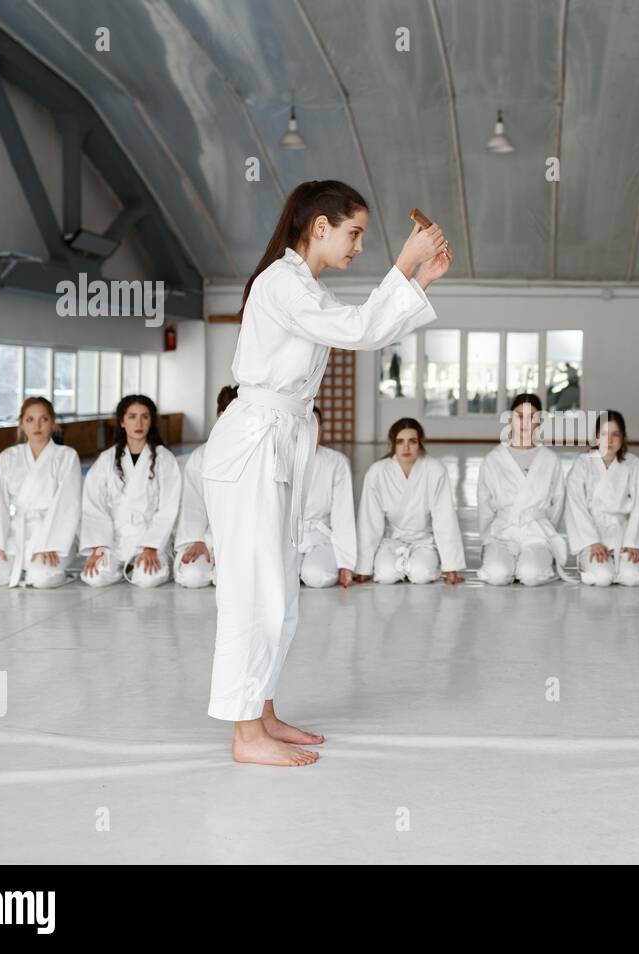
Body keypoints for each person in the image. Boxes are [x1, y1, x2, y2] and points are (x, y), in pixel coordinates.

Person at [201, 179, 450, 767]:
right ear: (319, 226)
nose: (359, 246)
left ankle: (260, 711)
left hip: (279, 444)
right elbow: (359, 330)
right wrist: (405, 264)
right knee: (252, 590)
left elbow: (362, 329)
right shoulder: (281, 283)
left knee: (280, 589)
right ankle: (243, 735)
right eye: (354, 233)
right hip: (253, 447)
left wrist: (418, 281)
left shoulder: (300, 285)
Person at [0, 397, 81, 589]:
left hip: (53, 534)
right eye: (30, 420)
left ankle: (44, 568)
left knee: (42, 578)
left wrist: (51, 543)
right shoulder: (8, 457)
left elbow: (68, 504)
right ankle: (17, 565)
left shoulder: (66, 456)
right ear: (21, 424)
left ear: (53, 423)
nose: (37, 425)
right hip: (17, 533)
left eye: (44, 419)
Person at [80, 395, 180, 588]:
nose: (139, 423)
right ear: (122, 421)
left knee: (147, 579)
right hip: (115, 540)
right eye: (132, 416)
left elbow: (169, 507)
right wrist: (99, 545)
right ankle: (121, 565)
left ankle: (143, 564)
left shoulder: (164, 458)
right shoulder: (106, 459)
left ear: (152, 421)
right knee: (95, 577)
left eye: (145, 416)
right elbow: (94, 505)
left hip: (150, 540)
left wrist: (151, 546)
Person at [354, 417, 465, 585]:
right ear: (392, 444)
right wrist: (363, 568)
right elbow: (369, 521)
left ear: (420, 443)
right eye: (400, 442)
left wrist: (451, 567)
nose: (406, 447)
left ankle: (420, 564)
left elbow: (445, 519)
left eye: (412, 441)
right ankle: (397, 565)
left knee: (422, 575)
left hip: (424, 541)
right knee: (386, 575)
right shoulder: (377, 472)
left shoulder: (435, 470)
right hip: (392, 540)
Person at [476, 393, 571, 586]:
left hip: (536, 532)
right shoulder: (494, 459)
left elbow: (557, 504)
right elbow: (484, 505)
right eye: (520, 416)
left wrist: (545, 528)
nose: (525, 423)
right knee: (497, 575)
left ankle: (542, 556)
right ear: (510, 418)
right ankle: (498, 556)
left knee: (531, 575)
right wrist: (486, 539)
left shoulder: (549, 459)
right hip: (502, 531)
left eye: (532, 417)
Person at [563, 409, 639, 586]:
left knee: (631, 577)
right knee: (603, 578)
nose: (609, 440)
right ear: (596, 437)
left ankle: (621, 562)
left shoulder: (634, 465)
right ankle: (592, 561)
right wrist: (592, 541)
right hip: (593, 536)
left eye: (615, 434)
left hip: (623, 535)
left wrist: (633, 541)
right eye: (604, 434)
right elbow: (575, 506)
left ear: (623, 437)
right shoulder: (582, 464)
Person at [174, 385, 237, 589]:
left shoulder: (262, 455)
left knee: (233, 582)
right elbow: (193, 504)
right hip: (208, 537)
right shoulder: (202, 456)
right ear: (220, 415)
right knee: (193, 577)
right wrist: (197, 539)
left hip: (244, 538)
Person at [298, 408, 358, 589]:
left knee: (316, 576)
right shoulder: (281, 460)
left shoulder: (337, 462)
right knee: (277, 578)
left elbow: (343, 515)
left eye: (315, 426)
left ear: (322, 430)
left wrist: (346, 563)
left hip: (321, 537)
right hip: (288, 537)